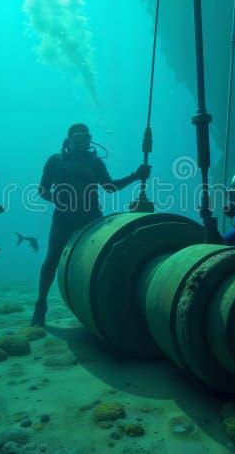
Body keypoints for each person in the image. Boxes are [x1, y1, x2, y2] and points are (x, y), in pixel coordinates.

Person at [32, 123, 151, 326]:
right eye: (78, 138)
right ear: (68, 140)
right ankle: (40, 306)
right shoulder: (55, 161)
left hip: (92, 220)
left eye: (86, 138)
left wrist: (135, 176)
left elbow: (110, 187)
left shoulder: (95, 162)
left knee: (99, 262)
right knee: (51, 262)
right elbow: (41, 190)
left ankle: (100, 305)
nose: (83, 142)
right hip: (63, 220)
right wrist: (54, 199)